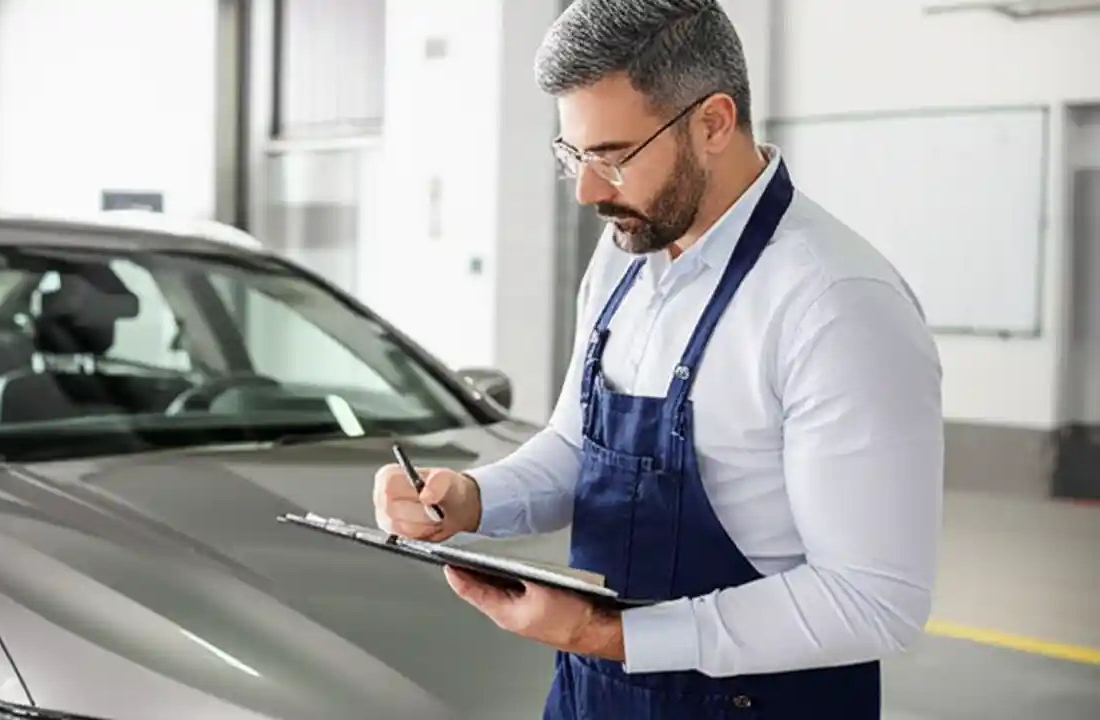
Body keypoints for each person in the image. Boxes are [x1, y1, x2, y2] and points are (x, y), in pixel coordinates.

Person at [372, 0, 943, 717]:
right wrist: (473, 500)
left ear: (712, 123)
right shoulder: (625, 260)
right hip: (594, 692)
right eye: (572, 156)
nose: (586, 191)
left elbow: (873, 600)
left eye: (611, 157)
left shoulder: (836, 303)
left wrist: (611, 632)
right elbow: (577, 447)